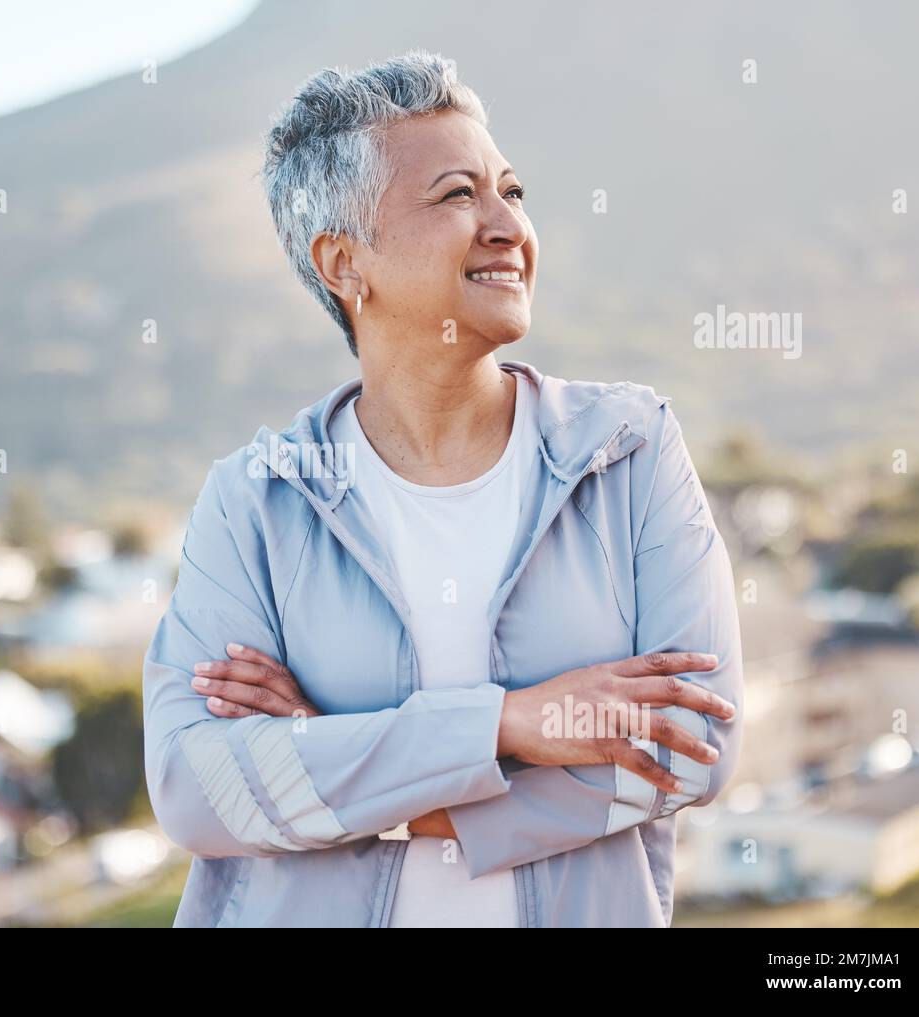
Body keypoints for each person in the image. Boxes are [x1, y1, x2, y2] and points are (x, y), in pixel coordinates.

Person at [142, 49, 742, 928]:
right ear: (346, 263)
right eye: (459, 195)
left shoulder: (628, 451)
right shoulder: (255, 500)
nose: (507, 226)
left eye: (512, 191)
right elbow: (199, 790)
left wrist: (346, 772)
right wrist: (502, 726)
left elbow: (695, 748)